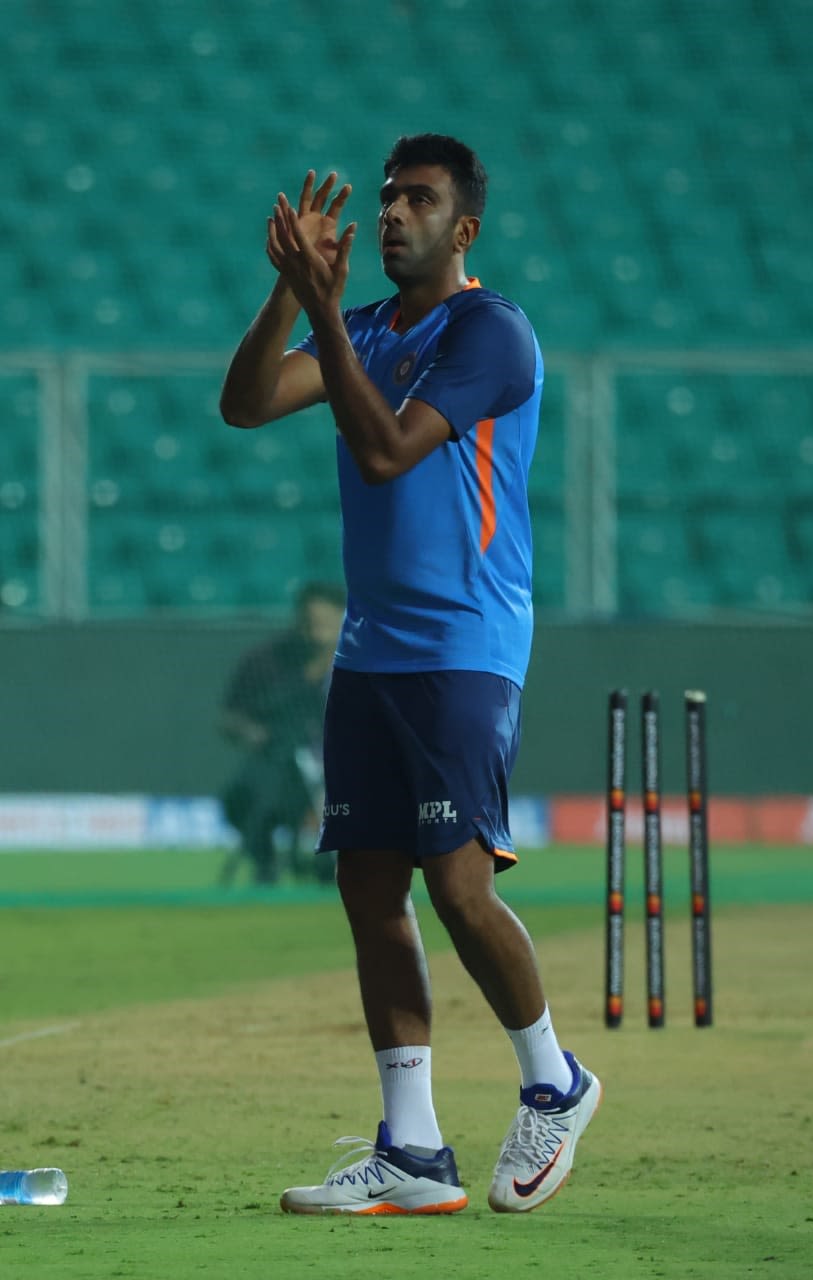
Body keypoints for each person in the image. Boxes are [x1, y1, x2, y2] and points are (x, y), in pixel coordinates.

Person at [220, 134, 601, 1215]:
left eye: (417, 200)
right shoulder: (374, 326)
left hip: (466, 643)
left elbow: (387, 449)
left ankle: (555, 1081)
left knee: (457, 882)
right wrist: (291, 296)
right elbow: (245, 404)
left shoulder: (492, 333)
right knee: (367, 884)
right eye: (386, 197)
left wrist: (329, 314)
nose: (391, 214)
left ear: (463, 227)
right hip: (374, 650)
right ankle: (414, 1150)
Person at [218, 581, 345, 885]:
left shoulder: (367, 663)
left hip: (346, 771)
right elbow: (232, 717)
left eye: (326, 623)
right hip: (279, 763)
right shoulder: (265, 661)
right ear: (298, 619)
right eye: (311, 623)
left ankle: (338, 867)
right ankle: (266, 862)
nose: (318, 631)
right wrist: (254, 734)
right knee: (242, 799)